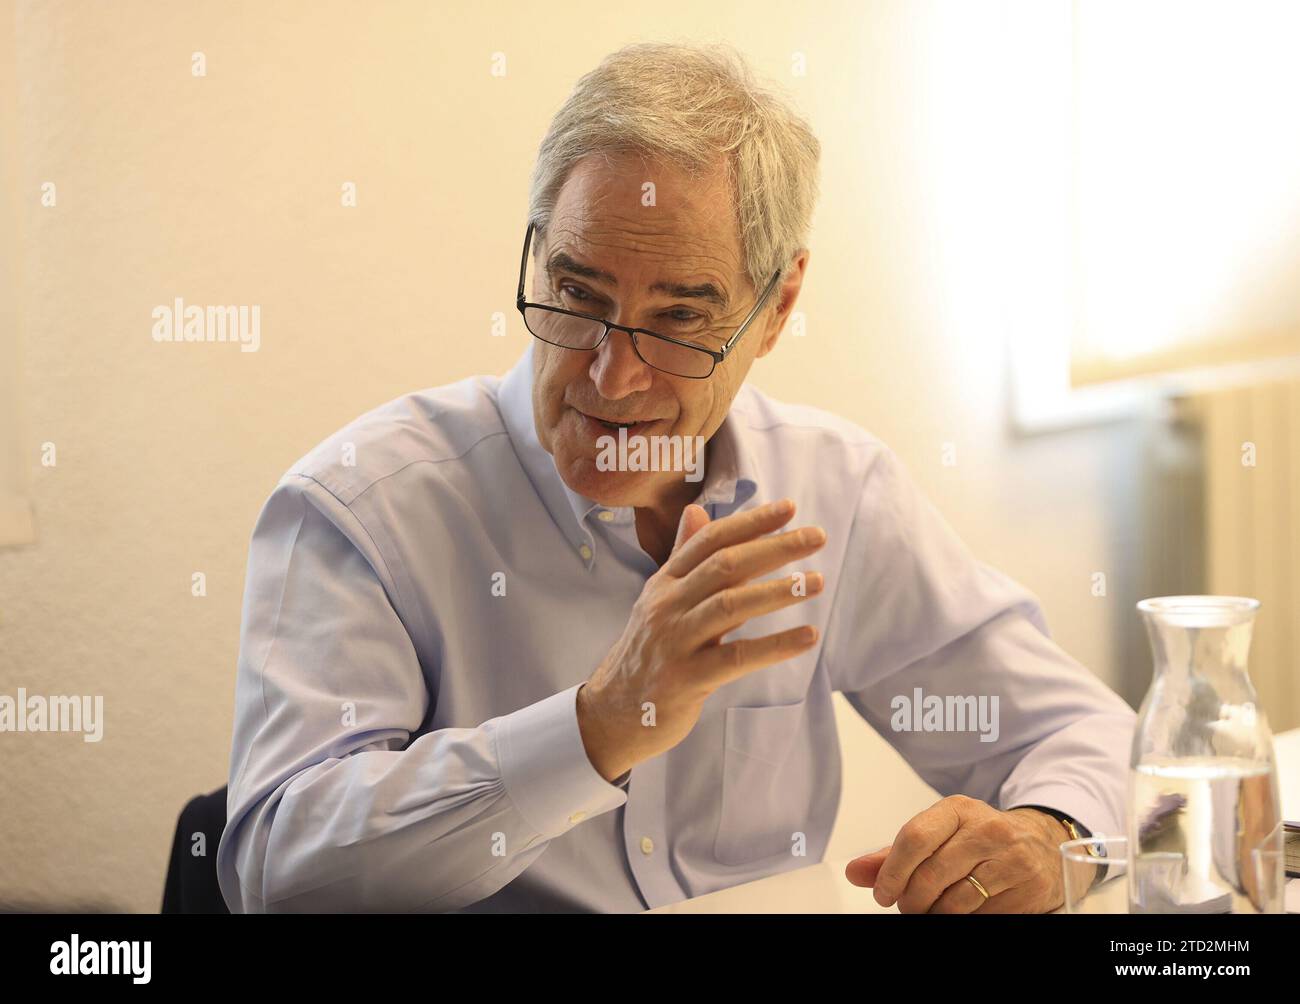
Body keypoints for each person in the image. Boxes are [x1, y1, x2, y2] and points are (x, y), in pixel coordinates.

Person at [216, 41, 1131, 914]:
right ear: (538, 255)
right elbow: (276, 875)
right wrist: (598, 725)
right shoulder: (360, 508)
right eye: (578, 297)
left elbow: (1091, 739)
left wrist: (1053, 837)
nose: (613, 377)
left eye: (680, 318)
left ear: (777, 310)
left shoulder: (833, 492)